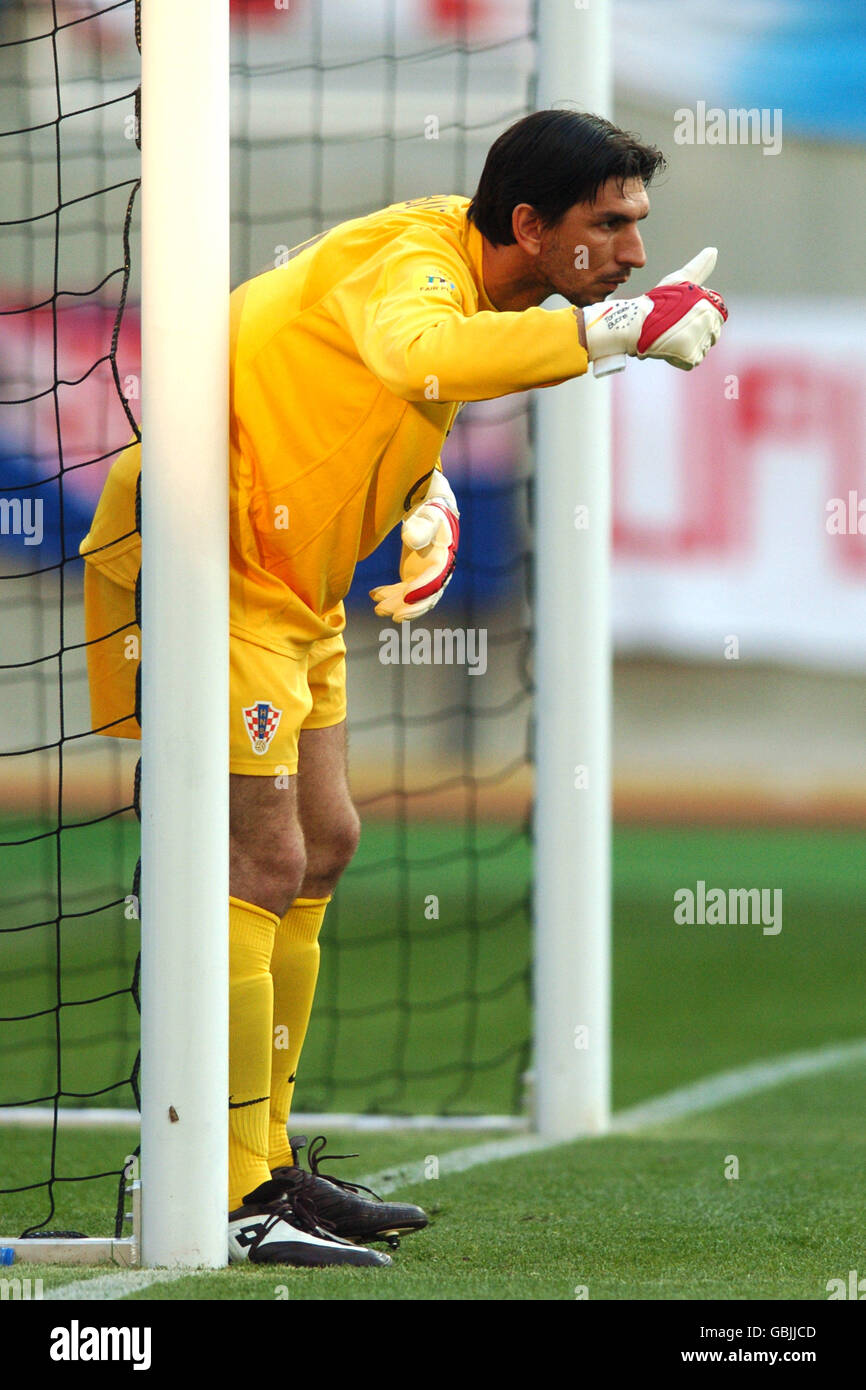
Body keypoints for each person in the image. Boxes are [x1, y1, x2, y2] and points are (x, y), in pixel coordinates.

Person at [80, 108, 728, 1268]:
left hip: (291, 580)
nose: (632, 251)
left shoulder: (470, 269)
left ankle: (264, 1161)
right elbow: (413, 351)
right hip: (206, 562)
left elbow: (338, 367)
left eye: (637, 225)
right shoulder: (420, 263)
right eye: (608, 224)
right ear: (528, 224)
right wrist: (617, 333)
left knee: (323, 841)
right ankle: (218, 1189)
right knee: (257, 856)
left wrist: (417, 490)